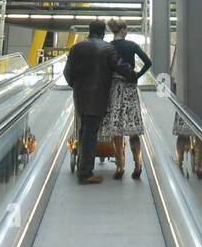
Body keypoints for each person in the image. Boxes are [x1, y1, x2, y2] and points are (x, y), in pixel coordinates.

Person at [63, 20, 134, 184]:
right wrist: (134, 76)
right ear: (103, 33)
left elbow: (67, 72)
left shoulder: (76, 48)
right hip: (98, 96)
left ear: (89, 30)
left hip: (80, 95)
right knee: (90, 133)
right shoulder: (107, 48)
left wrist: (76, 86)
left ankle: (82, 166)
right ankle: (85, 173)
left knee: (83, 131)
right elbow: (120, 66)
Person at [99, 18, 150, 179]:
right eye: (126, 29)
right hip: (129, 89)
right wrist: (137, 75)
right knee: (133, 130)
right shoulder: (132, 45)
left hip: (114, 89)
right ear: (122, 30)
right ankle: (138, 165)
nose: (127, 31)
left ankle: (120, 168)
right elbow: (148, 62)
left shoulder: (107, 47)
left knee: (116, 131)